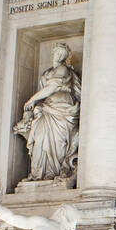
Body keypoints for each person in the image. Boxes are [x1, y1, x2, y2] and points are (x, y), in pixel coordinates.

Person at [15, 43, 81, 181]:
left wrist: (31, 100)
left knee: (58, 142)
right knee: (40, 138)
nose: (59, 56)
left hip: (62, 110)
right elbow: (45, 92)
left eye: (62, 54)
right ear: (53, 53)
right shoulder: (47, 72)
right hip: (47, 108)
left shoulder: (63, 69)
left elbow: (52, 87)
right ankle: (38, 174)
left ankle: (54, 172)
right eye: (57, 53)